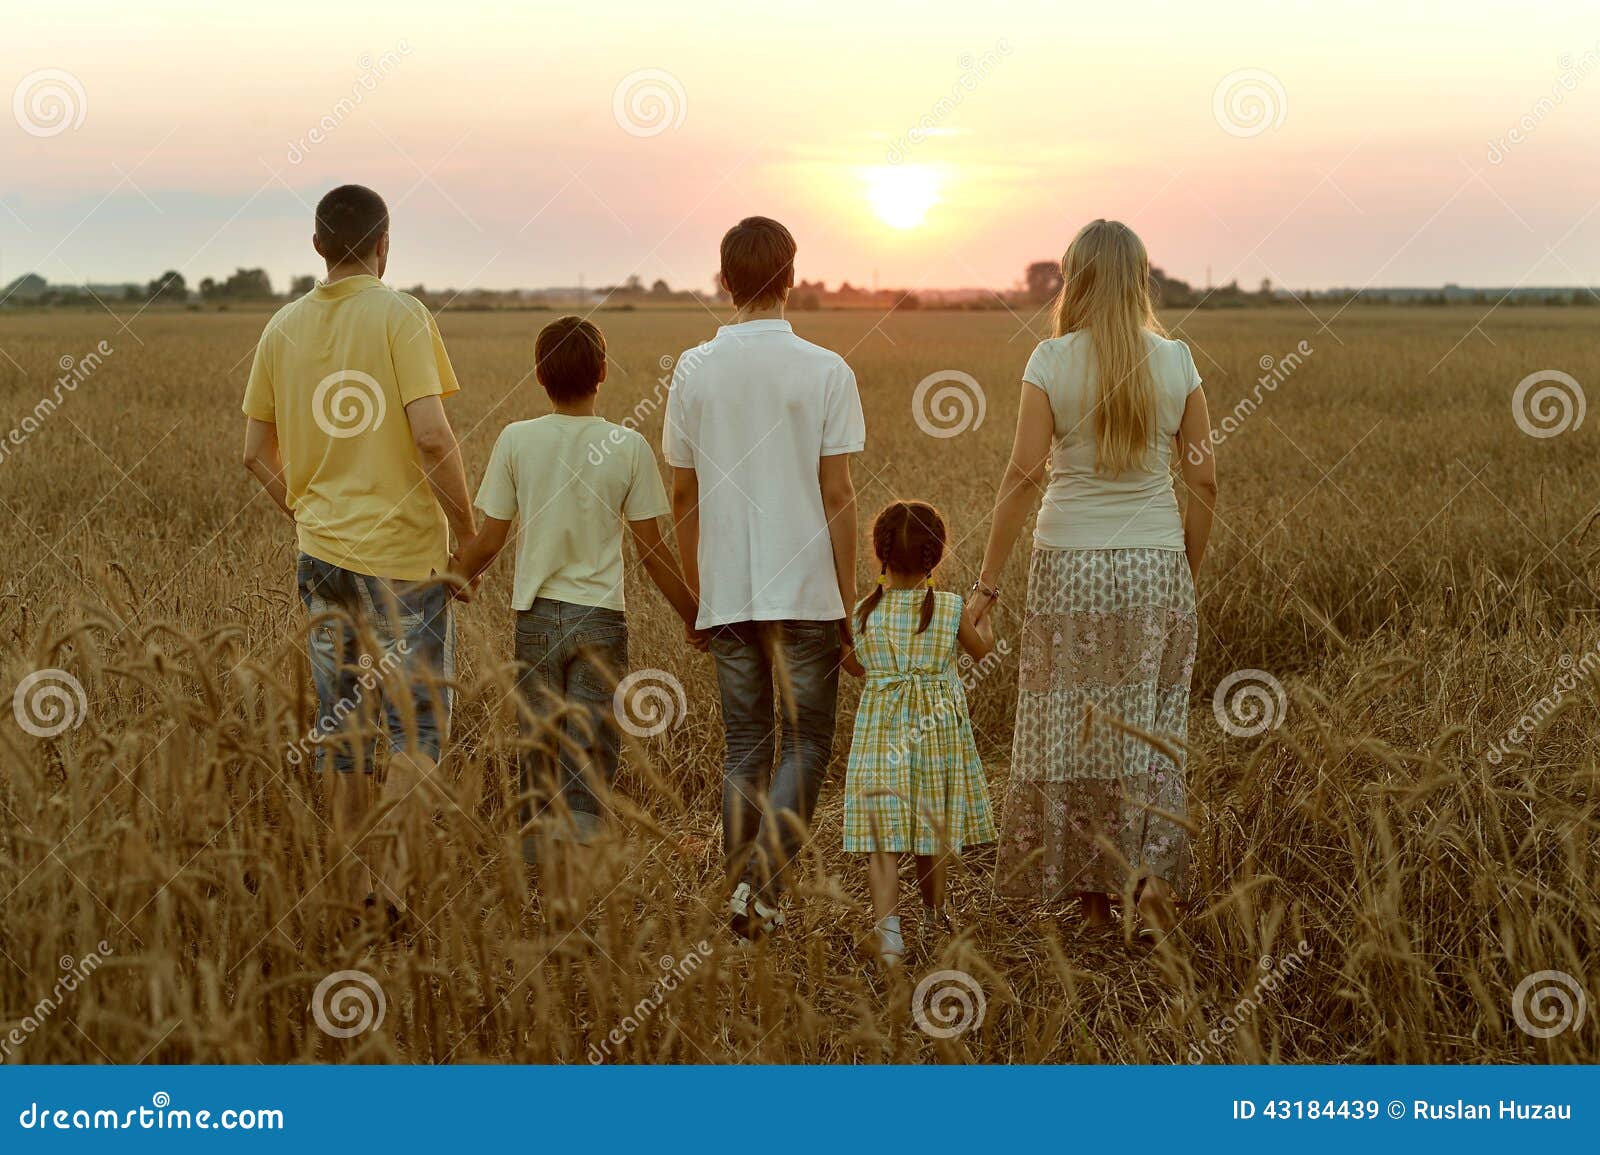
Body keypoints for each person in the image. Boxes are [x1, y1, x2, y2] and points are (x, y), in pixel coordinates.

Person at [969, 218, 1217, 937]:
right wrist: (1180, 569)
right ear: (1141, 279)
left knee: (1075, 733)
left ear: (1073, 280)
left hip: (1067, 567)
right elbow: (1205, 479)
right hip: (1155, 564)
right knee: (1155, 731)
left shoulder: (1050, 360)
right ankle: (1154, 891)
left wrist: (987, 584)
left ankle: (1095, 905)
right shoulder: (1177, 361)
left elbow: (1023, 475)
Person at [241, 184, 476, 922]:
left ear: (317, 246)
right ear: (384, 244)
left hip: (321, 557)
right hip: (403, 560)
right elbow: (432, 435)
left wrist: (307, 512)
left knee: (342, 726)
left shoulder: (281, 326)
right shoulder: (402, 315)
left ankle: (349, 890)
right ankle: (391, 891)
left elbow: (253, 453)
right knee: (417, 729)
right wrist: (467, 531)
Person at [662, 216, 866, 940]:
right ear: (792, 277)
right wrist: (848, 603)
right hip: (808, 593)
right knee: (806, 745)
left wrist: (698, 595)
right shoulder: (827, 369)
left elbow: (682, 495)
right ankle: (761, 889)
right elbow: (838, 494)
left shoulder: (692, 370)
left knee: (743, 746)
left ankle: (739, 892)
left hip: (728, 594)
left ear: (724, 280)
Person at [450, 316, 700, 871]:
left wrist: (452, 579)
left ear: (540, 375)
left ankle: (538, 880)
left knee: (538, 751)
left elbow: (489, 539)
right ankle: (582, 883)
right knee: (588, 753)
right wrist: (693, 615)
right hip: (601, 621)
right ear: (603, 373)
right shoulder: (629, 446)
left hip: (536, 621)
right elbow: (652, 551)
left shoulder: (516, 439)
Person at [843, 502, 997, 966]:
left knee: (883, 837)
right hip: (936, 734)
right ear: (936, 554)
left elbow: (855, 667)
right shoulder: (949, 608)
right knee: (932, 829)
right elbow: (982, 650)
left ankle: (889, 935)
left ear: (881, 552)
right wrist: (984, 614)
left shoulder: (863, 612)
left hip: (881, 734)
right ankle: (934, 916)